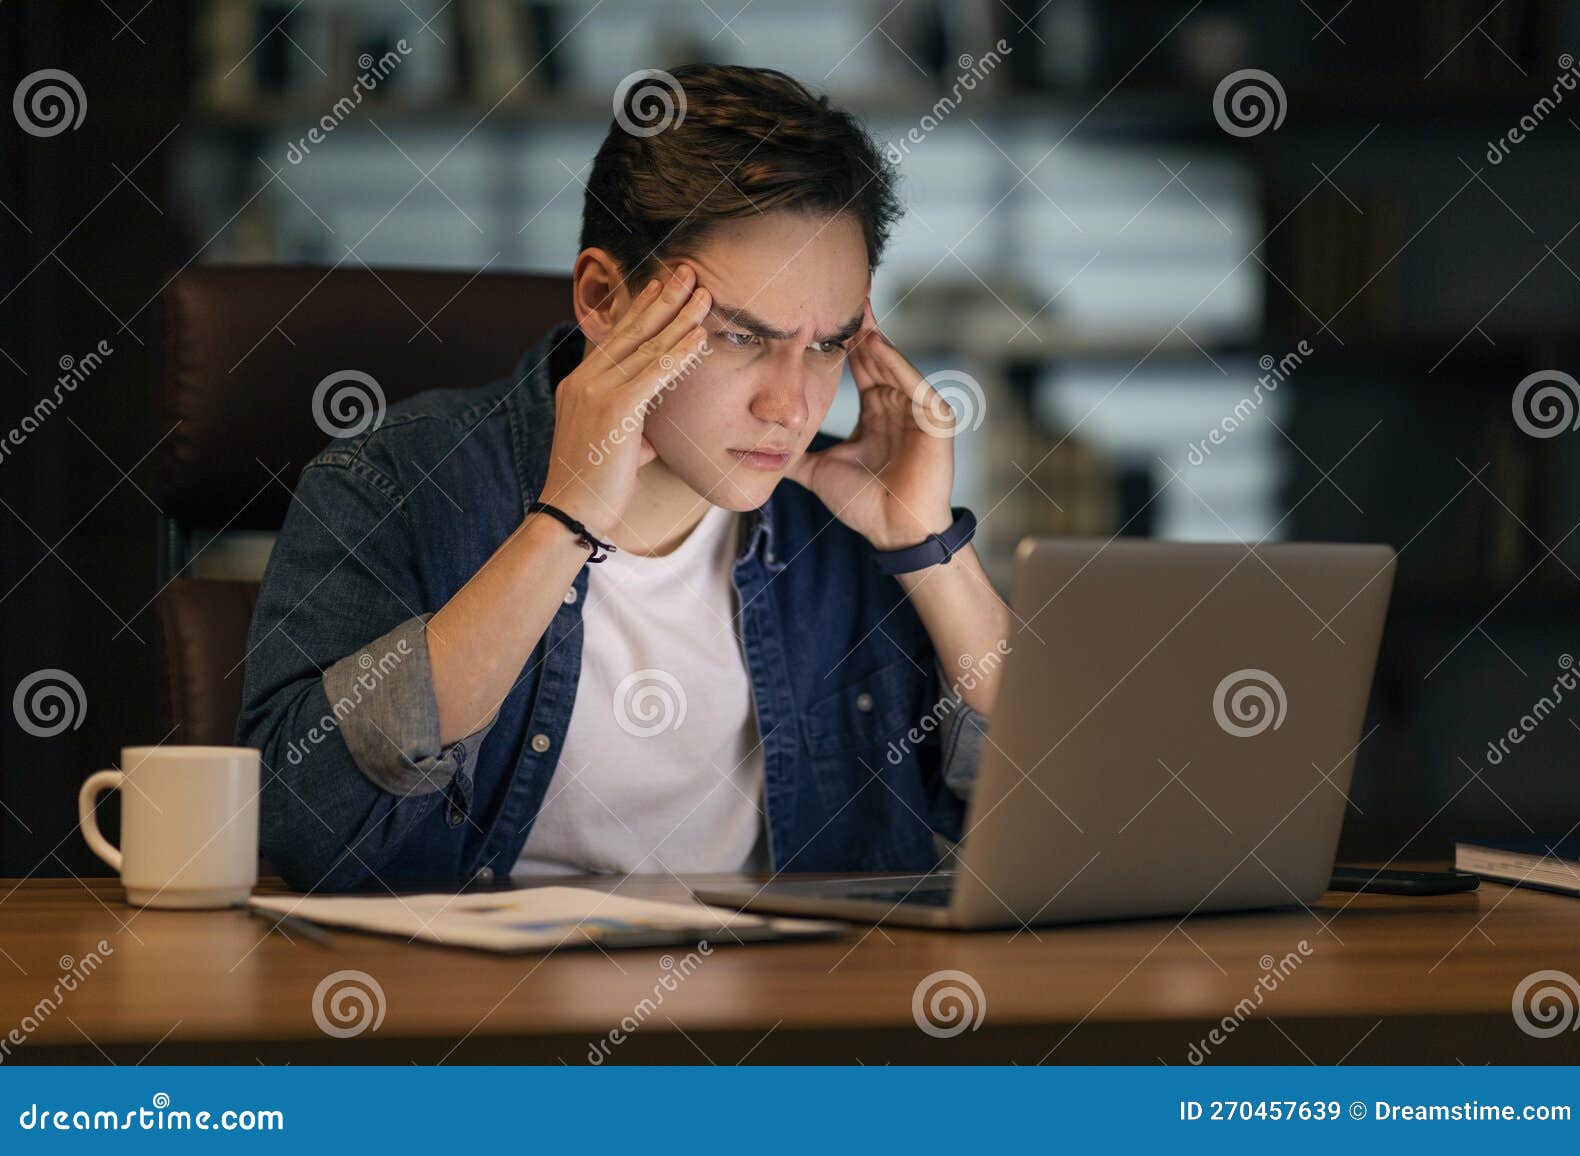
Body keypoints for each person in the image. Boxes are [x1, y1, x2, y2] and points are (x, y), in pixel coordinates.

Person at [237, 64, 1012, 892]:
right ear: (604, 298)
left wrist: (928, 548)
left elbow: (1061, 822)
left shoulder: (849, 514)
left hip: (790, 976)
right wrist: (563, 522)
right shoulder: (395, 477)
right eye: (741, 337)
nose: (790, 407)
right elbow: (302, 829)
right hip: (480, 978)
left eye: (827, 346)